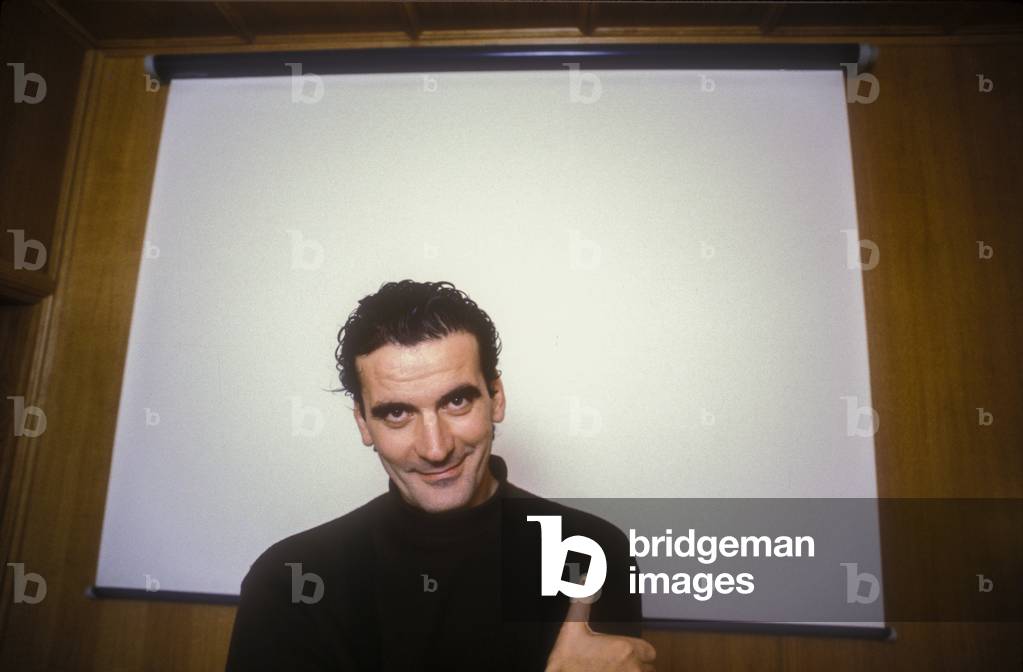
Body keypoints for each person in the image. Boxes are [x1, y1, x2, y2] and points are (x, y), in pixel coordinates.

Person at [225, 280, 656, 671]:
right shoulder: (287, 579)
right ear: (362, 423)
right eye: (397, 413)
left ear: (496, 397)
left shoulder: (589, 554)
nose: (436, 448)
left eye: (456, 402)